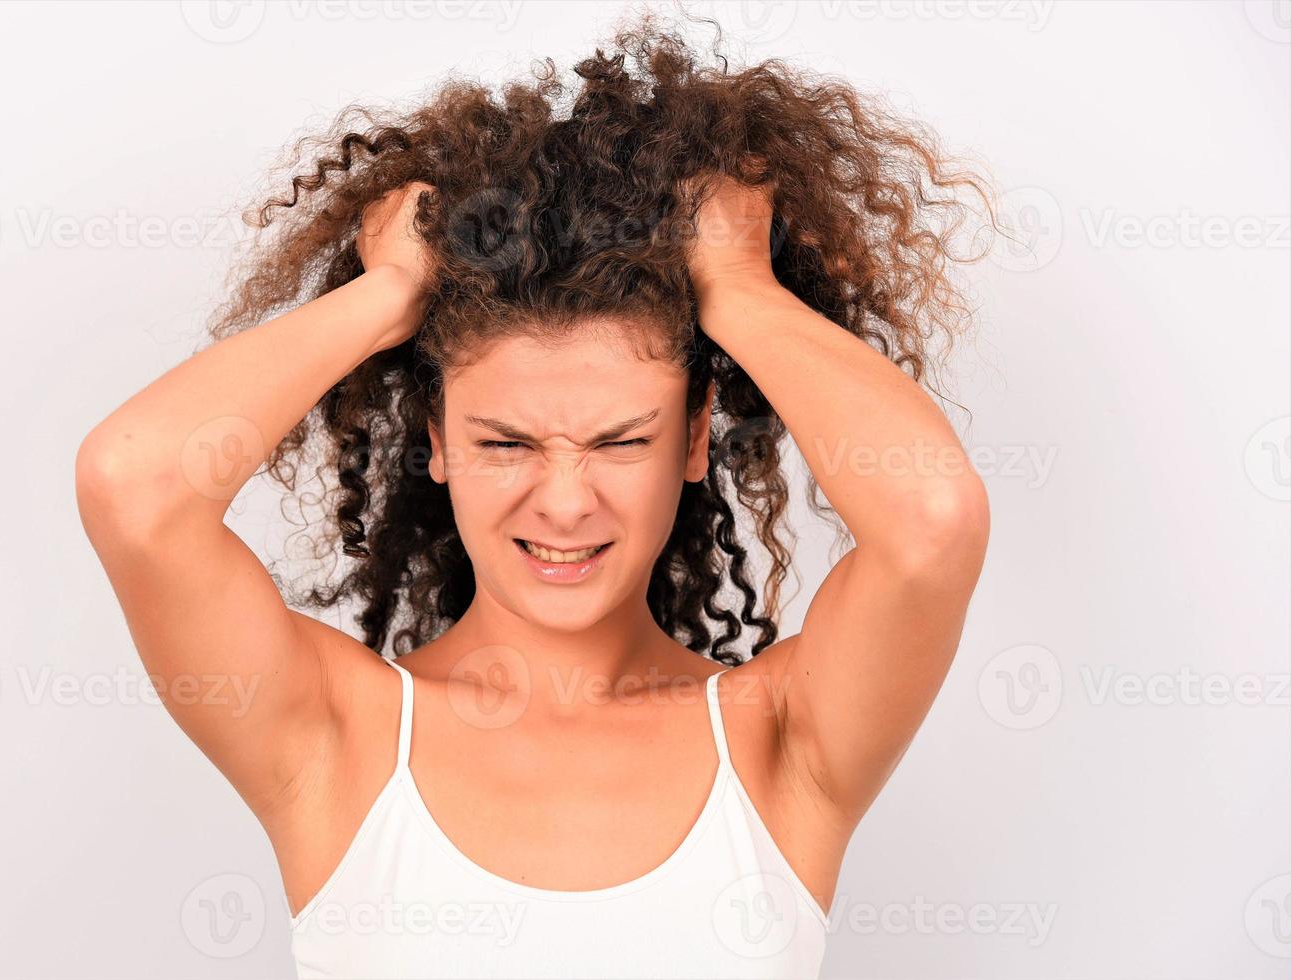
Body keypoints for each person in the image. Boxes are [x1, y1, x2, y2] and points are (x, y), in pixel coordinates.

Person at [75, 16, 992, 979]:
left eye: (620, 442)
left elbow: (932, 524)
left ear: (693, 439)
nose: (563, 504)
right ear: (437, 442)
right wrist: (391, 291)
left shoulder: (782, 740)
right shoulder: (335, 735)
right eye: (505, 443)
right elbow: (134, 486)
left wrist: (735, 286)